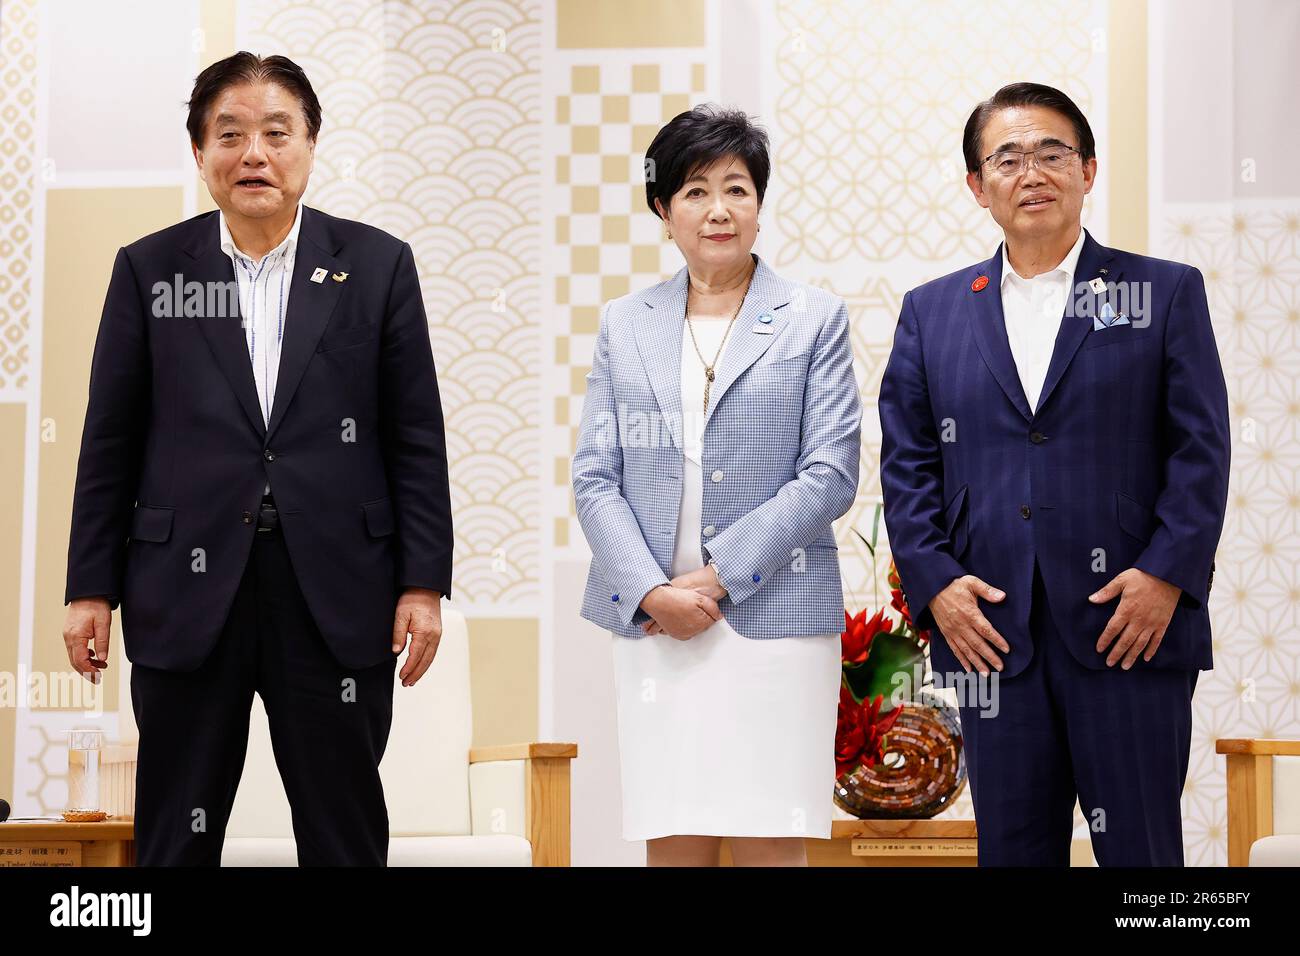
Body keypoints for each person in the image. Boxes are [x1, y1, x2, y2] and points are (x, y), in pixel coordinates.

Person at [61, 52, 454, 866]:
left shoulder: (377, 266)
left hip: (336, 587)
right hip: (186, 585)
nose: (254, 154)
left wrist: (422, 583)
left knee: (342, 831)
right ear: (200, 153)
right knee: (175, 831)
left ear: (310, 145)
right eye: (229, 134)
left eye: (277, 133)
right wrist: (89, 587)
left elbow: (415, 434)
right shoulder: (151, 269)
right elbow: (111, 436)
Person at [879, 82, 1230, 866]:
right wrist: (935, 584)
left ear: (1089, 170)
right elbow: (905, 462)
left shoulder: (1161, 292)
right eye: (1007, 158)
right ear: (978, 185)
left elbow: (1200, 452)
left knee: (1143, 859)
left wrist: (1165, 577)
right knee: (1013, 852)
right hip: (993, 638)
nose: (1031, 172)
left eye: (1051, 153)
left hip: (1128, 628)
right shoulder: (932, 311)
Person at [572, 104, 862, 867]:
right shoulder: (624, 323)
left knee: (772, 839)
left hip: (779, 621)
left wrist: (718, 578)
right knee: (676, 839)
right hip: (656, 622)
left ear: (760, 206)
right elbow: (595, 477)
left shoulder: (812, 318)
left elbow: (830, 472)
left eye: (737, 188)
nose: (719, 209)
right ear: (664, 209)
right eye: (696, 190)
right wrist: (650, 590)